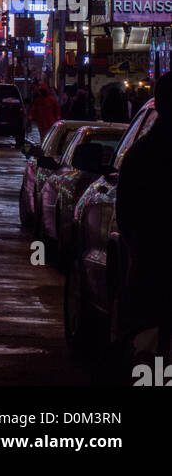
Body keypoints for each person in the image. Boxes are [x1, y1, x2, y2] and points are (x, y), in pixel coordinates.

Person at [116, 72, 172, 357]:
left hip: (150, 264)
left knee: (142, 341)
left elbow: (125, 214)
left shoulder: (141, 153)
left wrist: (139, 247)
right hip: (150, 260)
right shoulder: (141, 153)